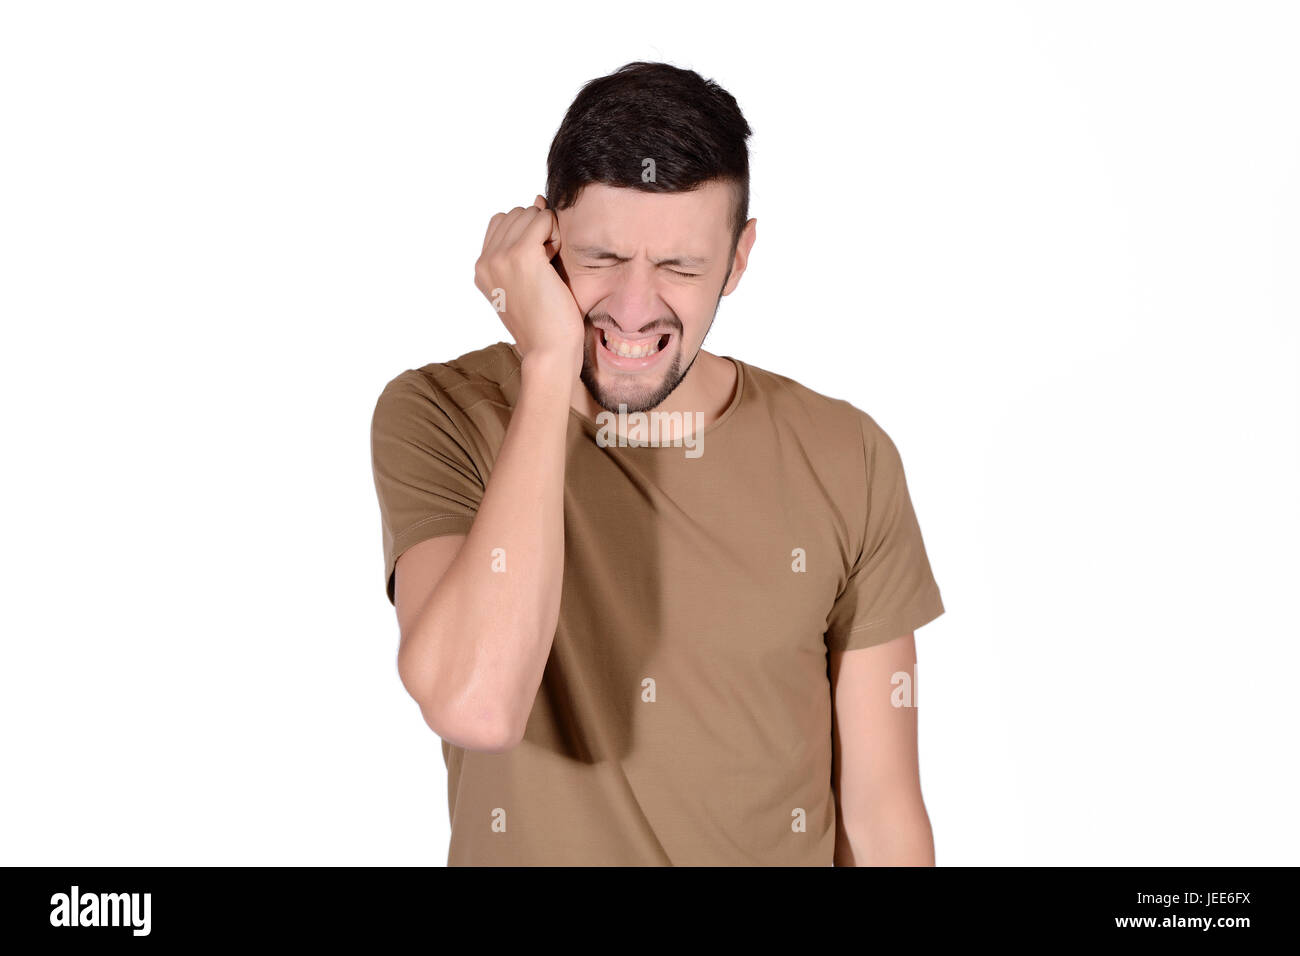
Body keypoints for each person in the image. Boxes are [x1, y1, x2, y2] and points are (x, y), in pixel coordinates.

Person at [369, 61, 945, 865]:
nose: (635, 310)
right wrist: (546, 368)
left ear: (740, 260)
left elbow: (882, 820)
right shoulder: (445, 414)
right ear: (543, 241)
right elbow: (477, 703)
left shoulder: (847, 454)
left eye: (680, 267)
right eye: (602, 257)